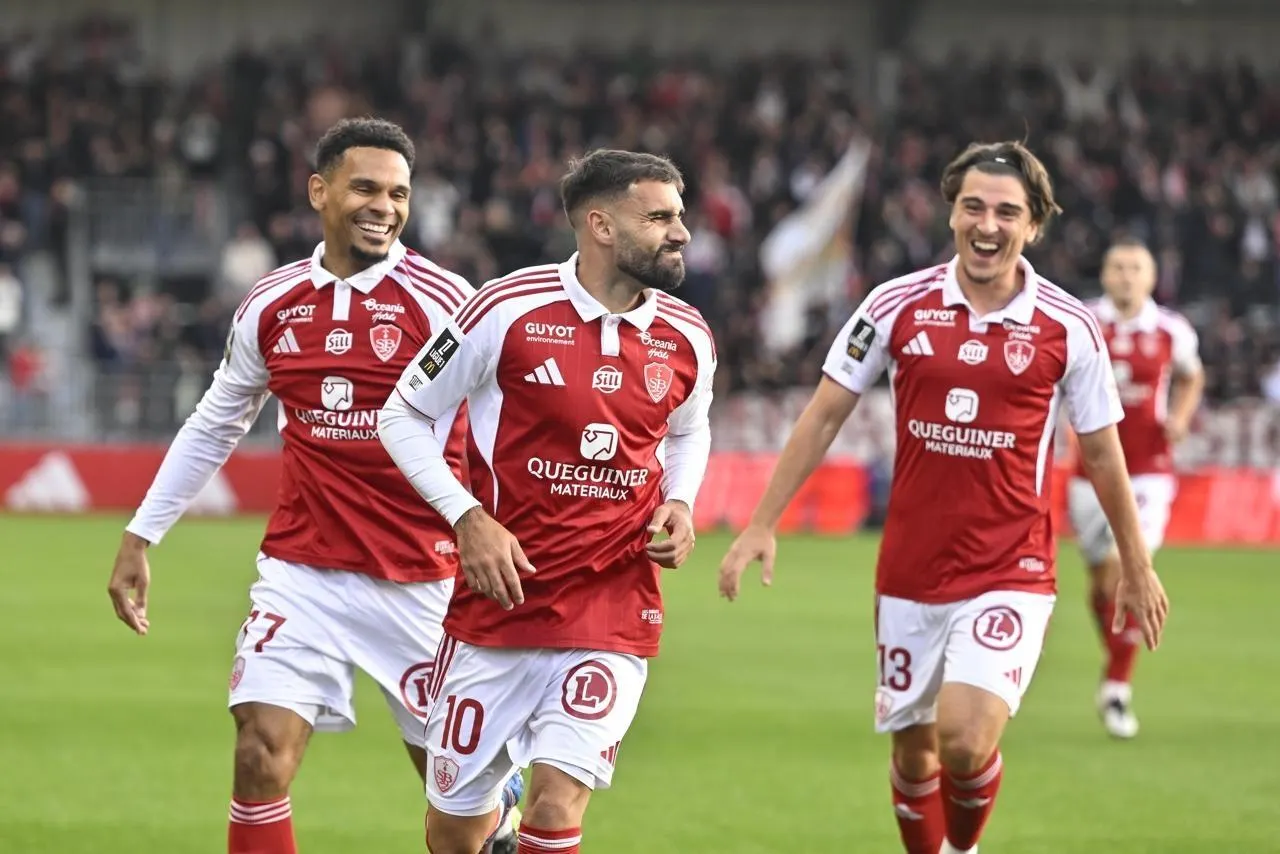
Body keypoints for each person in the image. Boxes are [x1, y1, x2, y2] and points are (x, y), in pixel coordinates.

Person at [717, 140, 1169, 854]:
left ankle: (963, 847)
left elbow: (1104, 451)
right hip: (909, 571)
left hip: (1010, 568)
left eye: (1007, 212)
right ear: (951, 213)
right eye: (973, 207)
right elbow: (826, 411)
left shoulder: (1066, 325)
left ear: (1034, 226)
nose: (988, 225)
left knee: (963, 739)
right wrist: (760, 523)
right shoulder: (895, 304)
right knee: (913, 753)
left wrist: (1136, 563)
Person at [105, 117, 520, 854]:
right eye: (365, 187)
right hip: (304, 575)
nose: (383, 206)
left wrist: (495, 524)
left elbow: (507, 423)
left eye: (398, 194)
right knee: (259, 754)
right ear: (319, 191)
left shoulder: (446, 300)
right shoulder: (272, 302)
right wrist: (143, 532)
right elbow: (215, 422)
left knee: (458, 828)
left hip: (424, 582)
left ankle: (500, 810)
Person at [378, 148, 716, 854]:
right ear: (600, 225)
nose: (680, 232)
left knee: (558, 807)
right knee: (454, 830)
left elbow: (689, 430)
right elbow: (401, 414)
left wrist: (680, 502)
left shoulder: (688, 335)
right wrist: (467, 520)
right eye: (658, 217)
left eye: (678, 216)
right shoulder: (506, 308)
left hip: (614, 603)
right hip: (500, 608)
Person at [1067, 237, 1203, 739]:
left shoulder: (1172, 330)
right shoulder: (1081, 321)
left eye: (1135, 269)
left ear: (1151, 278)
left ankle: (1117, 688)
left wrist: (1182, 417)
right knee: (1103, 582)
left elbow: (1191, 376)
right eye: (1117, 267)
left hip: (1148, 470)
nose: (1126, 276)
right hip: (1090, 473)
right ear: (1104, 274)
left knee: (1132, 565)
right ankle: (1117, 657)